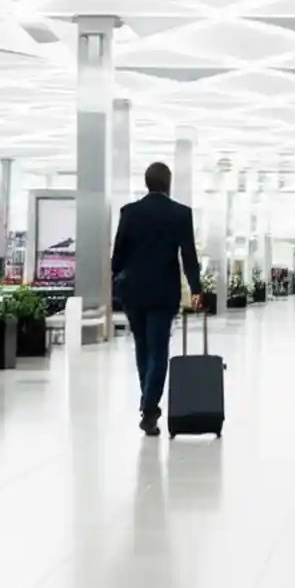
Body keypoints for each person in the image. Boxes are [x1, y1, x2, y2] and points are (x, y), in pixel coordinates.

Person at [111, 162, 202, 437]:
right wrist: (196, 289)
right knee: (159, 348)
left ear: (147, 182)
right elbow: (188, 255)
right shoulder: (180, 214)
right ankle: (149, 407)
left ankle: (148, 406)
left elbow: (118, 256)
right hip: (164, 292)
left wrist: (118, 278)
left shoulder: (130, 212)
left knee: (142, 347)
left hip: (134, 292)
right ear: (168, 183)